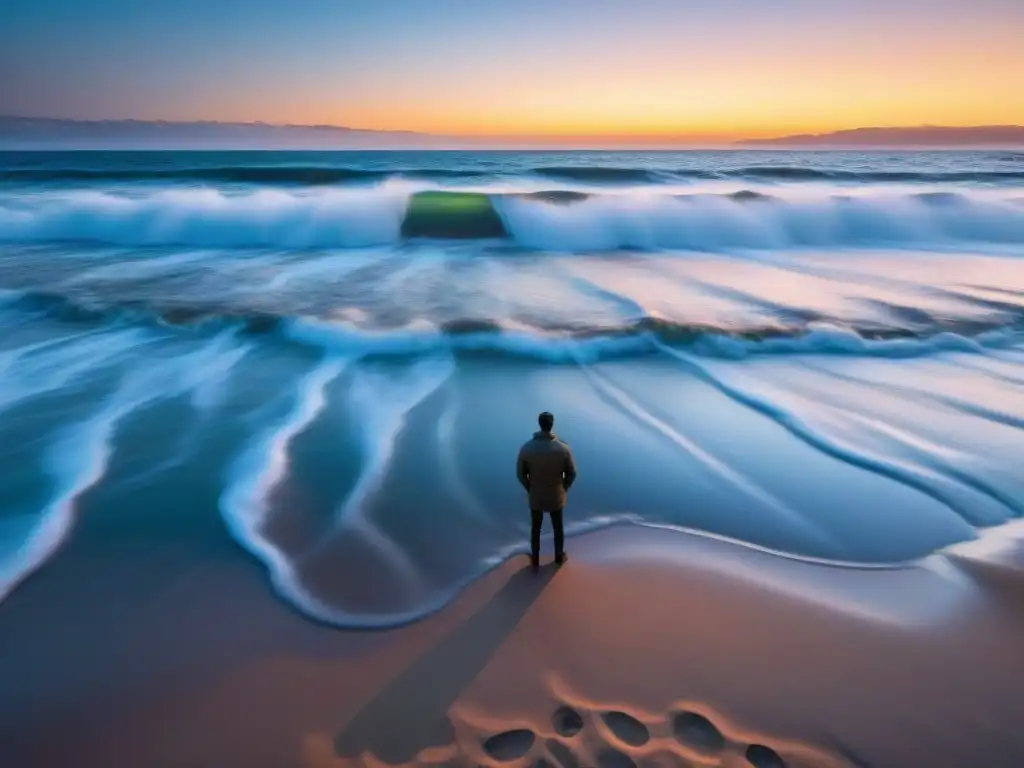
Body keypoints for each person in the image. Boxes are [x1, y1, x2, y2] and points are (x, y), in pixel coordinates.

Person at [517, 411, 577, 570]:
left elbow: (520, 474)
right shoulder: (563, 449)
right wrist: (563, 487)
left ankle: (535, 560)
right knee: (558, 527)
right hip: (556, 495)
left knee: (536, 529)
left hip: (536, 495)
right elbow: (572, 473)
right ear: (552, 425)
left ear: (540, 424)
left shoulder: (527, 448)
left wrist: (530, 487)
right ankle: (558, 557)